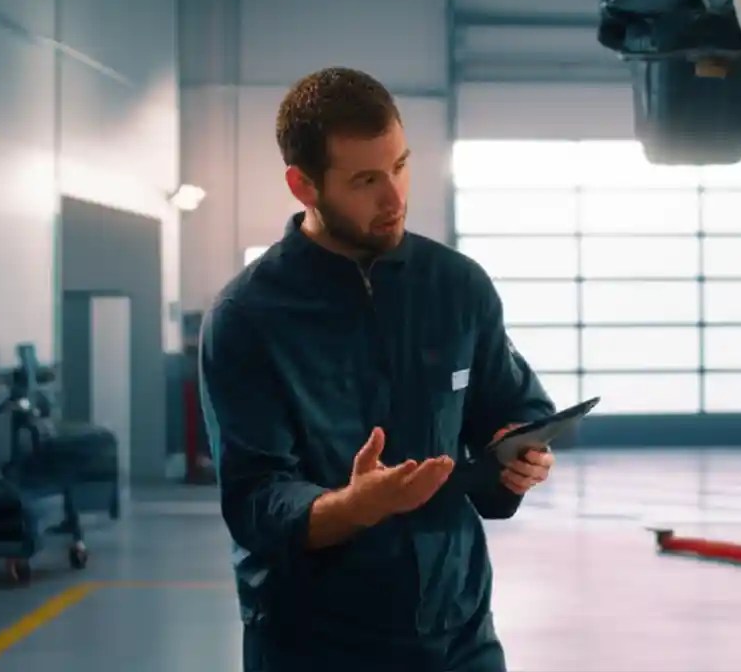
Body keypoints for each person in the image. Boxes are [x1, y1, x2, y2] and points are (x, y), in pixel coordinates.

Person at [199, 67, 557, 672]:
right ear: (303, 185)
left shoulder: (457, 286)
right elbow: (256, 499)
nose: (394, 198)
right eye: (366, 180)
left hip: (458, 629)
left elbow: (512, 406)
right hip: (314, 641)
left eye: (399, 166)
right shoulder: (247, 318)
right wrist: (355, 505)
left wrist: (518, 455)